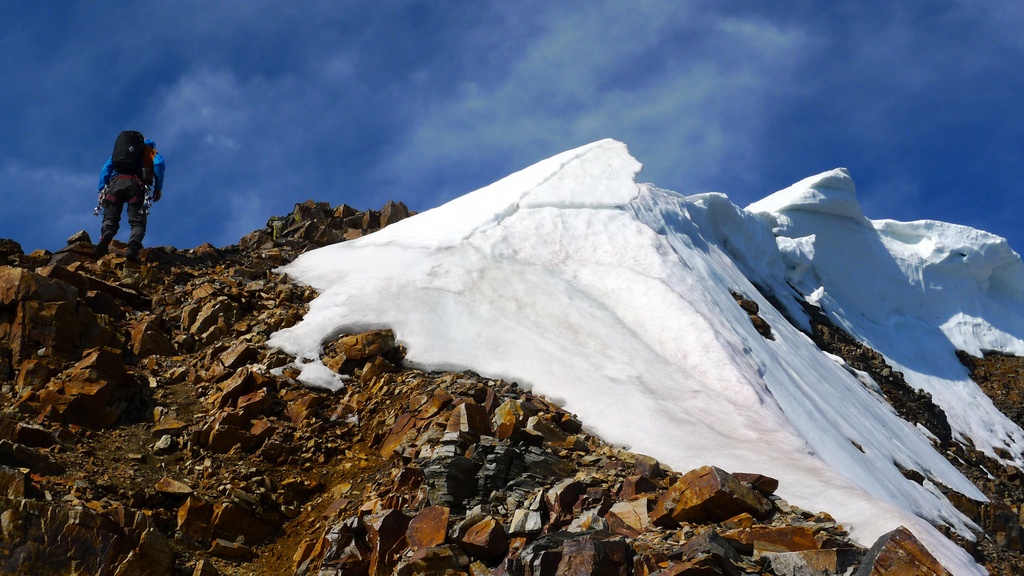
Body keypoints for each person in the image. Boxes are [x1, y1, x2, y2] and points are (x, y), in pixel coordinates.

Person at [95, 137, 165, 262]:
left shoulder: (121, 151)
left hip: (115, 184)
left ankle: (107, 234)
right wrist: (158, 188)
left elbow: (106, 168)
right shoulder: (149, 151)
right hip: (136, 186)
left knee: (110, 217)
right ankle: (132, 248)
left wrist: (102, 189)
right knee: (137, 221)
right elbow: (159, 163)